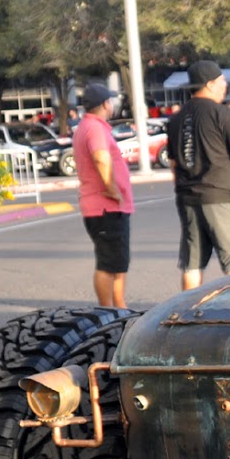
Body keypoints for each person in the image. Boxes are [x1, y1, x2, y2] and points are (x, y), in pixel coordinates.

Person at [166, 60, 230, 290]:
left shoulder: (176, 119)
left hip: (187, 198)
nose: (224, 86)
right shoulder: (221, 114)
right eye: (222, 82)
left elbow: (173, 163)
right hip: (222, 197)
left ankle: (186, 316)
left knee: (192, 266)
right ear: (209, 84)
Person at [72, 83, 133, 308]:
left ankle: (118, 306)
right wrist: (111, 188)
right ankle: (108, 309)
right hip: (105, 206)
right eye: (111, 101)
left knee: (117, 261)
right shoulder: (94, 128)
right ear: (105, 104)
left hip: (109, 206)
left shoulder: (88, 126)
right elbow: (100, 157)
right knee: (108, 262)